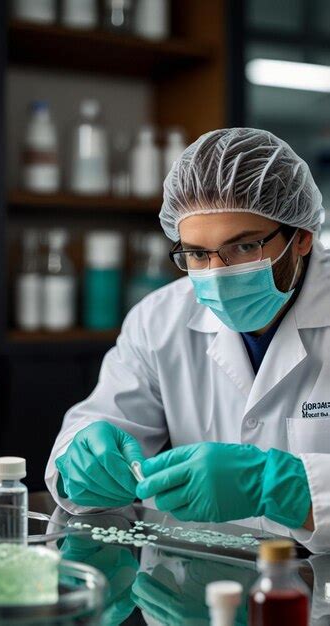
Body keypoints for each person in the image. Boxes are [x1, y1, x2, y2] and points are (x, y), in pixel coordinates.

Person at [45, 128, 330, 553]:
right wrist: (83, 460)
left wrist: (286, 487)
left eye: (244, 246)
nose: (216, 272)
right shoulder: (159, 319)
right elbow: (97, 425)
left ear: (302, 237)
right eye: (196, 254)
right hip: (194, 588)